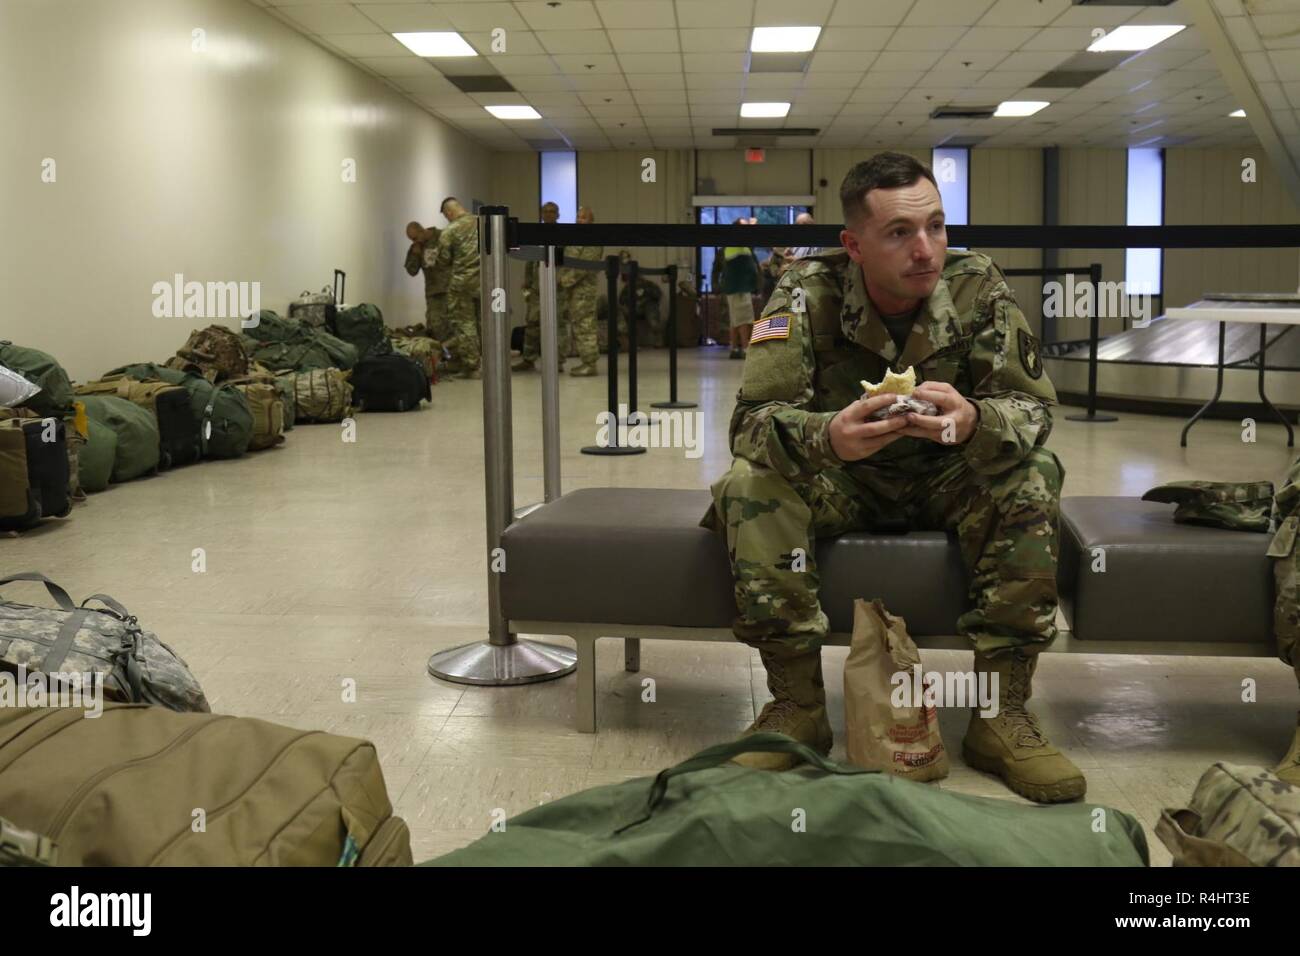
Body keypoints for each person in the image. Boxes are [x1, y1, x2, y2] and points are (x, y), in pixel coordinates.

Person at [701, 152, 1083, 804]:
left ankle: (1001, 715)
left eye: (936, 226)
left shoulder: (977, 285)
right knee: (750, 485)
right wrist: (829, 435)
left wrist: (974, 420)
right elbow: (750, 425)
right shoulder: (803, 290)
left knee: (1031, 474)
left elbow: (1035, 412)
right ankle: (797, 707)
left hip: (947, 474)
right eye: (900, 234)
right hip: (841, 479)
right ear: (854, 245)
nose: (926, 249)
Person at [431, 198, 481, 379]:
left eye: (446, 215)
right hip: (487, 282)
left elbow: (443, 260)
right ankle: (490, 362)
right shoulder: (483, 222)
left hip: (462, 283)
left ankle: (472, 366)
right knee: (485, 323)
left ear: (449, 213)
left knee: (464, 324)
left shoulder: (450, 230)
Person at [513, 202, 565, 373]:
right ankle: (528, 359)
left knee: (557, 325)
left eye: (552, 212)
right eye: (546, 212)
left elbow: (568, 263)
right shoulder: (536, 234)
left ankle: (557, 361)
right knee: (532, 325)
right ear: (541, 214)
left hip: (557, 289)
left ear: (558, 215)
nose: (549, 214)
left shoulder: (564, 235)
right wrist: (527, 287)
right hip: (536, 290)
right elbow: (530, 261)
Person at [561, 206, 602, 377]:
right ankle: (586, 361)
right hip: (573, 290)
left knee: (585, 325)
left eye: (583, 217)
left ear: (591, 220)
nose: (579, 220)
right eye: (578, 216)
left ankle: (590, 363)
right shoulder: (577, 236)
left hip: (583, 290)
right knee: (578, 324)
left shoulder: (593, 239)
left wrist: (564, 281)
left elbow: (583, 266)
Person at [720, 219, 759, 360]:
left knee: (736, 320)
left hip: (739, 287)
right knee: (743, 319)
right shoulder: (735, 243)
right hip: (738, 288)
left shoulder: (739, 245)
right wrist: (753, 227)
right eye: (744, 226)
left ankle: (735, 348)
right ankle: (745, 349)